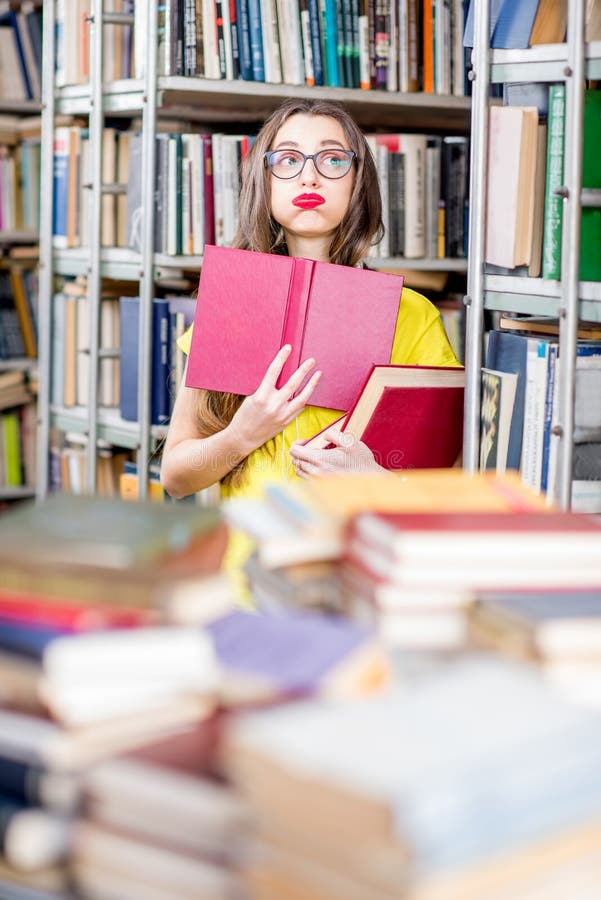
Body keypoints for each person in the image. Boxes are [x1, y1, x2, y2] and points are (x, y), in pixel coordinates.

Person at [160, 98, 460, 587]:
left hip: (360, 576)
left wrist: (377, 478)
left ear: (358, 181)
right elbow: (175, 477)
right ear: (265, 179)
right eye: (289, 159)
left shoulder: (413, 316)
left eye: (333, 159)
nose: (310, 177)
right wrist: (242, 435)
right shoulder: (229, 304)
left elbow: (450, 484)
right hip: (252, 580)